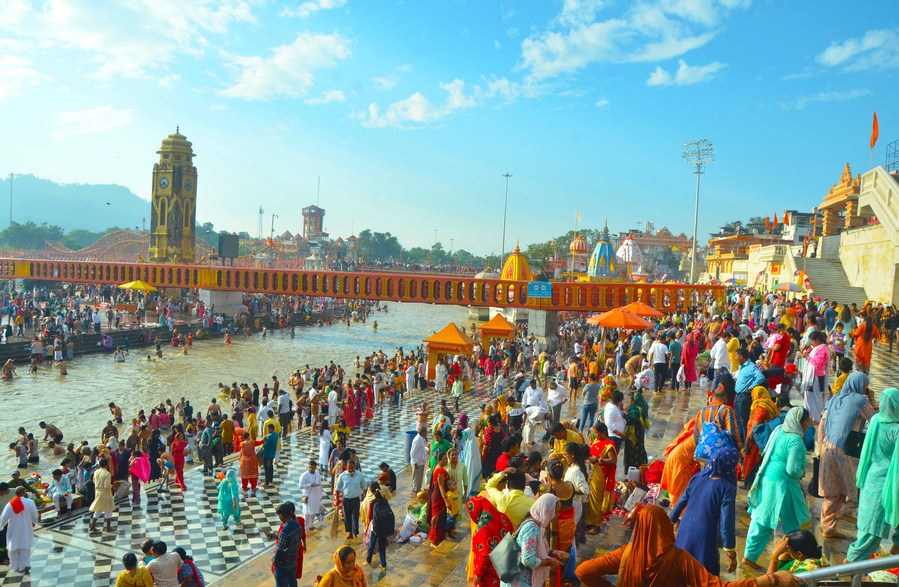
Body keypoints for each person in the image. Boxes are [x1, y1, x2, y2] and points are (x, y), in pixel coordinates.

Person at [575, 505, 799, 587]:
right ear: (664, 526)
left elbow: (582, 571)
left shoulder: (625, 554)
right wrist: (771, 579)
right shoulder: (679, 559)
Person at [742, 407, 813, 569]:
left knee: (762, 519)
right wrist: (802, 471)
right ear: (800, 422)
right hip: (783, 486)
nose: (809, 424)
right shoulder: (795, 440)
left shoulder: (779, 430)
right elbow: (792, 470)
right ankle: (793, 553)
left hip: (767, 479)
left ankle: (749, 556)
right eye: (807, 421)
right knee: (794, 522)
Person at [817, 371, 874, 539]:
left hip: (827, 448)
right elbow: (875, 419)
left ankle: (827, 528)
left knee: (831, 491)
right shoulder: (861, 400)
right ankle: (843, 511)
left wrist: (820, 447)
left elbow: (822, 424)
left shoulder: (834, 399)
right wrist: (870, 398)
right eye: (865, 386)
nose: (866, 389)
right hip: (845, 451)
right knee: (858, 488)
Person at [846, 386, 899, 562]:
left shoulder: (876, 420)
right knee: (873, 529)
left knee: (868, 521)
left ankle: (894, 551)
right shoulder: (896, 431)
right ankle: (851, 561)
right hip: (888, 483)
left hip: (871, 477)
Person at [669, 444, 739, 576]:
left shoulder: (698, 477)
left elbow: (680, 502)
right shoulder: (727, 489)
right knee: (704, 576)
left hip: (685, 528)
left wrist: (670, 521)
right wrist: (730, 551)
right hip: (704, 536)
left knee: (680, 569)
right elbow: (726, 524)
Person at [502, 494, 566, 587]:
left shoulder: (539, 526)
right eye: (555, 512)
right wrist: (550, 562)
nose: (557, 515)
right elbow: (528, 559)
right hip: (519, 582)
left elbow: (536, 549)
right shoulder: (532, 528)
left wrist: (554, 553)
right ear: (546, 511)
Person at [466, 495, 514, 586]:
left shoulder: (483, 530)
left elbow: (484, 555)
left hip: (490, 573)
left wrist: (478, 575)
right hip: (505, 565)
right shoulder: (503, 517)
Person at [743, 386, 780, 487]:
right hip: (766, 438)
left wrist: (747, 443)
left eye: (753, 395)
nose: (752, 397)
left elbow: (754, 426)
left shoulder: (760, 408)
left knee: (753, 462)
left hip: (756, 440)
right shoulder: (770, 404)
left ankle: (750, 483)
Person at [586, 423, 617, 531]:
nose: (595, 435)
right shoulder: (596, 441)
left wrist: (599, 459)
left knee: (596, 498)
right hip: (592, 472)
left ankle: (596, 525)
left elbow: (613, 461)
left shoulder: (609, 445)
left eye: (596, 433)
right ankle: (589, 521)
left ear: (603, 433)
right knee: (590, 498)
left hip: (600, 474)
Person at [0, 486, 37, 573]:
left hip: (14, 529)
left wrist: (1, 527)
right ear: (24, 493)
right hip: (26, 528)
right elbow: (35, 515)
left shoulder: (10, 504)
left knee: (14, 548)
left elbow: (3, 518)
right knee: (25, 548)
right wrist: (34, 522)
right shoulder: (30, 502)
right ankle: (24, 565)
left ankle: (15, 566)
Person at [270, 502, 306, 587]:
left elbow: (280, 549)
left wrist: (274, 561)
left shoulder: (284, 530)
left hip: (283, 564)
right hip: (293, 561)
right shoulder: (297, 525)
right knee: (293, 583)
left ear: (281, 516)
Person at [336, 459, 366, 539]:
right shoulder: (342, 476)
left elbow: (364, 487)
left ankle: (355, 532)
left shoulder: (360, 475)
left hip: (356, 500)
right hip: (346, 500)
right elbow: (337, 489)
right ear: (346, 467)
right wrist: (337, 499)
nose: (350, 469)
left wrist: (366, 498)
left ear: (355, 467)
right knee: (347, 517)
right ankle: (349, 532)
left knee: (355, 516)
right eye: (349, 467)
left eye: (352, 468)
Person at [366, 484, 394, 572]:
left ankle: (368, 561)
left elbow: (370, 517)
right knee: (382, 546)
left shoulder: (372, 502)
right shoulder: (385, 500)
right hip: (385, 526)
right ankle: (383, 564)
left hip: (376, 527)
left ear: (371, 491)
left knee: (372, 543)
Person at [428, 450, 450, 546]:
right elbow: (441, 487)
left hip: (438, 495)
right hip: (439, 497)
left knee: (440, 518)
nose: (447, 461)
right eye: (445, 459)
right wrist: (446, 501)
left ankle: (439, 538)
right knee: (437, 519)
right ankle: (434, 540)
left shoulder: (438, 468)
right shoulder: (440, 471)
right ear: (439, 460)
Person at [623, 391, 649, 471]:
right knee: (640, 449)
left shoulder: (634, 409)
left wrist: (625, 415)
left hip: (633, 435)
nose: (629, 401)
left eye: (630, 399)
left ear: (634, 400)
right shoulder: (642, 408)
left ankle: (633, 471)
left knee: (632, 451)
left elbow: (632, 419)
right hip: (640, 432)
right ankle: (641, 468)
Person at [89, 458, 115, 533]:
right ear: (107, 464)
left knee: (98, 509)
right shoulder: (107, 473)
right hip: (105, 493)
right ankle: (108, 528)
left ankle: (92, 526)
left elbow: (94, 481)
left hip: (97, 492)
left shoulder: (96, 472)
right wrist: (112, 486)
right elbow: (107, 485)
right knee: (108, 510)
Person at [299, 460, 323, 529]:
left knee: (314, 511)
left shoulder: (317, 474)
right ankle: (305, 528)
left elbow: (320, 484)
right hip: (308, 497)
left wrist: (320, 495)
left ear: (315, 468)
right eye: (310, 467)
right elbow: (300, 486)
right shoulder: (304, 475)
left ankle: (311, 525)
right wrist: (310, 485)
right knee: (307, 512)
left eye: (312, 468)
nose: (311, 469)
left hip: (316, 496)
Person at [460, 427, 482, 498]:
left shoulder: (472, 443)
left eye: (465, 435)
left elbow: (471, 456)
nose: (464, 437)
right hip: (469, 464)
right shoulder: (469, 442)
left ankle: (469, 495)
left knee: (470, 477)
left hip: (472, 465)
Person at [410, 426, 429, 494]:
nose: (426, 433)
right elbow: (412, 452)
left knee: (419, 477)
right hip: (417, 462)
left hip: (421, 461)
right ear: (422, 432)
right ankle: (415, 490)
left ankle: (418, 489)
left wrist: (428, 450)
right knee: (416, 477)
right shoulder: (417, 440)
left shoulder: (422, 438)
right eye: (426, 432)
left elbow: (423, 448)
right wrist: (415, 463)